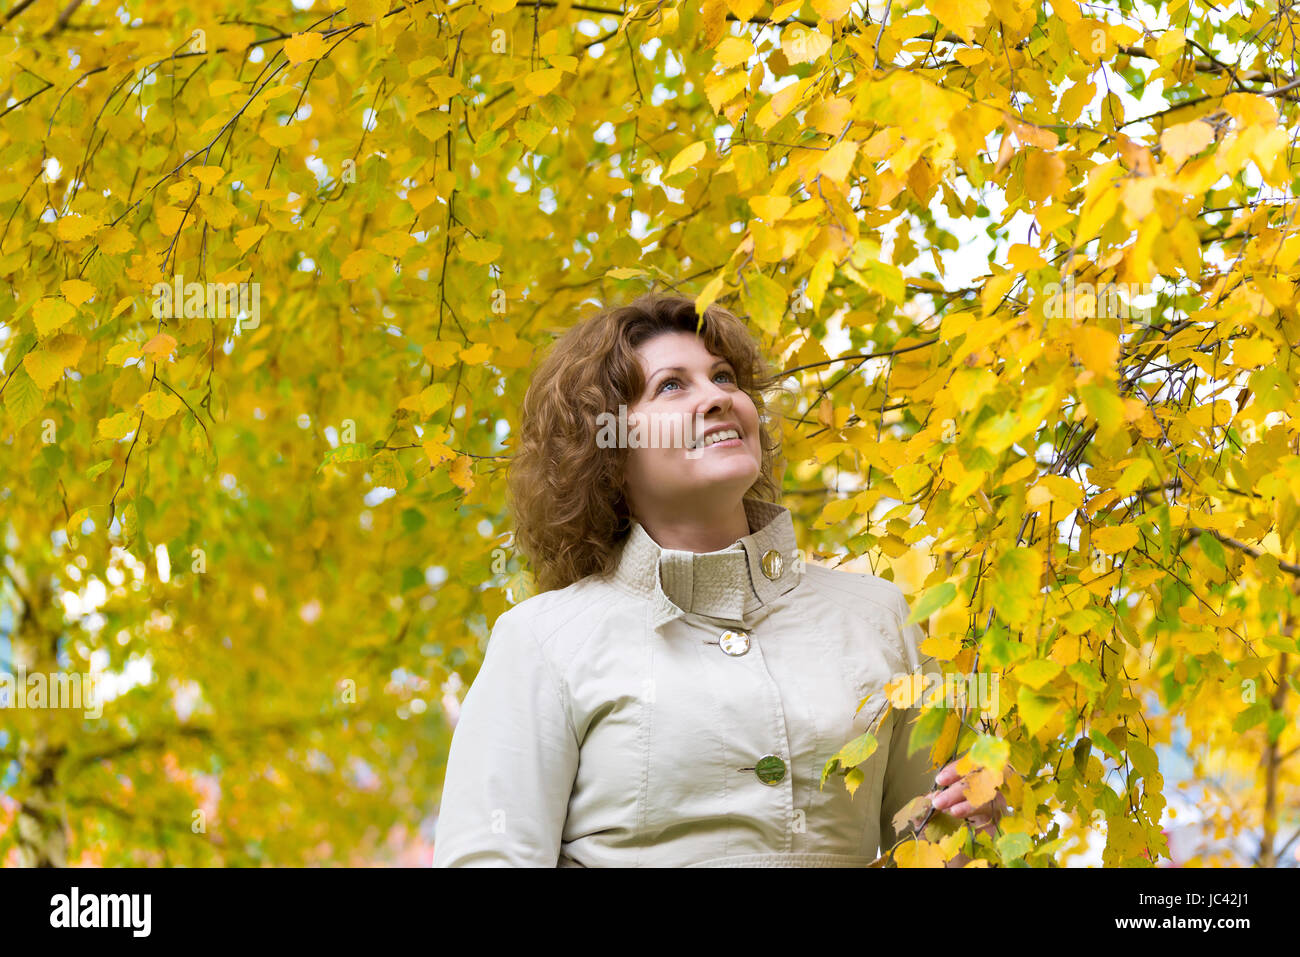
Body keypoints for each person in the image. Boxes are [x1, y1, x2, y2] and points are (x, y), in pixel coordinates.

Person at [431, 289, 1005, 867]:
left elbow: (936, 848)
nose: (717, 398)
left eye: (725, 377)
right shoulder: (544, 641)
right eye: (671, 386)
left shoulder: (880, 617)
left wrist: (976, 823)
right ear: (605, 446)